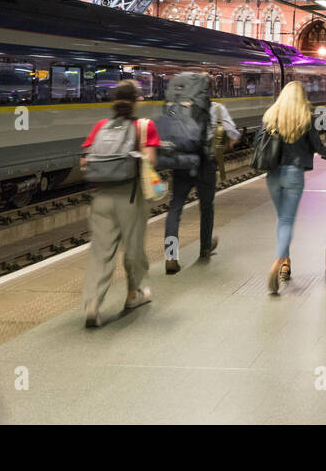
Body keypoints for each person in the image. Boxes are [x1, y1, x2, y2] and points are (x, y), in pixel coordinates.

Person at [81, 80, 156, 327]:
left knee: (101, 252)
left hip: (101, 198)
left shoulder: (101, 126)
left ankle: (92, 304)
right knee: (133, 250)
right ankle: (134, 294)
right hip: (131, 198)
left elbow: (85, 162)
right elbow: (150, 162)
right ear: (136, 101)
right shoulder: (144, 127)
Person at [262, 82, 326, 295]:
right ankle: (278, 262)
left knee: (281, 220)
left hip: (273, 174)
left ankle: (285, 262)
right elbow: (318, 147)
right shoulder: (305, 118)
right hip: (294, 174)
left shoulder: (271, 116)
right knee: (286, 221)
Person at [164, 82, 240, 275]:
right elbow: (233, 135)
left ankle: (171, 256)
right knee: (207, 208)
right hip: (205, 164)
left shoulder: (176, 109)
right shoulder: (217, 109)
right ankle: (205, 248)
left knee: (175, 209)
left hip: (181, 164)